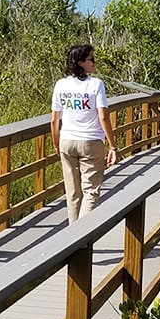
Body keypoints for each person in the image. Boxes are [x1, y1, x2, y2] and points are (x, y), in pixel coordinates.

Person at [50, 44, 118, 223]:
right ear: (80, 63)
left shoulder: (61, 85)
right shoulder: (96, 85)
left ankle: (72, 236)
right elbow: (103, 117)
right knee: (91, 192)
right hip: (90, 142)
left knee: (72, 193)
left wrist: (56, 144)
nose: (94, 63)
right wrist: (113, 146)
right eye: (91, 59)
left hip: (67, 141)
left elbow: (54, 120)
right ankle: (80, 239)